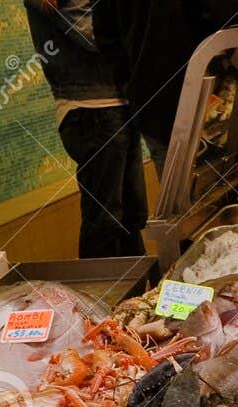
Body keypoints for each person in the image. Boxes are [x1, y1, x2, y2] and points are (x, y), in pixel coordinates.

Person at [23, 0, 147, 258]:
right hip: (93, 110)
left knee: (131, 219)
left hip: (117, 103)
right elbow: (94, 35)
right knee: (105, 222)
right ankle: (102, 297)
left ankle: (138, 296)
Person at [101, 0, 238, 175]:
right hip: (209, 98)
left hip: (151, 100)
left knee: (177, 191)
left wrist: (131, 84)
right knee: (220, 189)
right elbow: (231, 17)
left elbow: (106, 39)